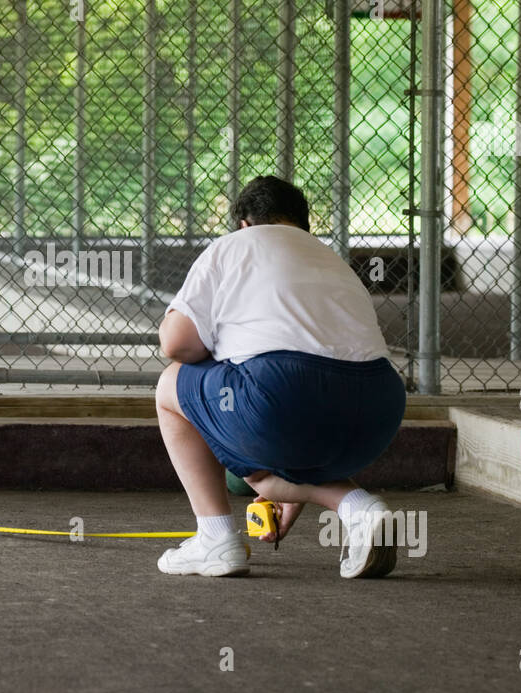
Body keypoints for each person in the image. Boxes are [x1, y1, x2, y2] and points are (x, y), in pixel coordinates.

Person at [154, 176, 406, 578]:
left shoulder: (234, 246)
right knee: (266, 476)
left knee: (171, 384)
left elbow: (176, 343)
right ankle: (360, 510)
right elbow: (319, 359)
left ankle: (215, 538)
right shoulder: (331, 258)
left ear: (244, 224)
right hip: (378, 414)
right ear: (302, 224)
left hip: (283, 399)